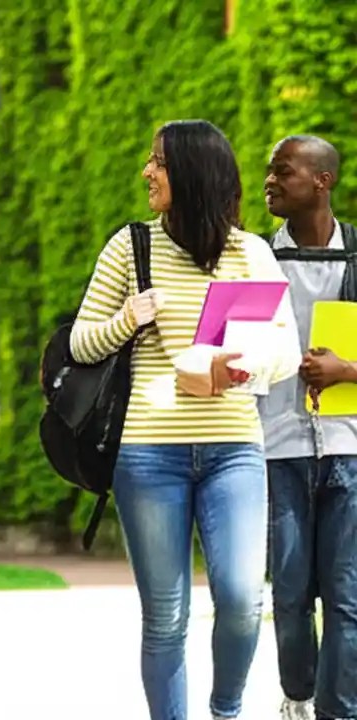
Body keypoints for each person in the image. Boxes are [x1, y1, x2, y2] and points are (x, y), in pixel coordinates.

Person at [70, 119, 300, 720]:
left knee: (243, 599)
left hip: (233, 449)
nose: (147, 172)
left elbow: (285, 349)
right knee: (166, 615)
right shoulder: (130, 248)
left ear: (194, 174)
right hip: (149, 454)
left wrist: (241, 369)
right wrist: (128, 318)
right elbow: (79, 344)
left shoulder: (251, 253)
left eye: (159, 163)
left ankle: (226, 710)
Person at [259, 134, 357, 720]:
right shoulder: (254, 261)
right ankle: (297, 698)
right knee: (291, 594)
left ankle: (339, 711)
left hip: (350, 449)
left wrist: (346, 370)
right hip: (278, 449)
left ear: (322, 181)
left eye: (283, 170)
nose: (269, 181)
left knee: (347, 597)